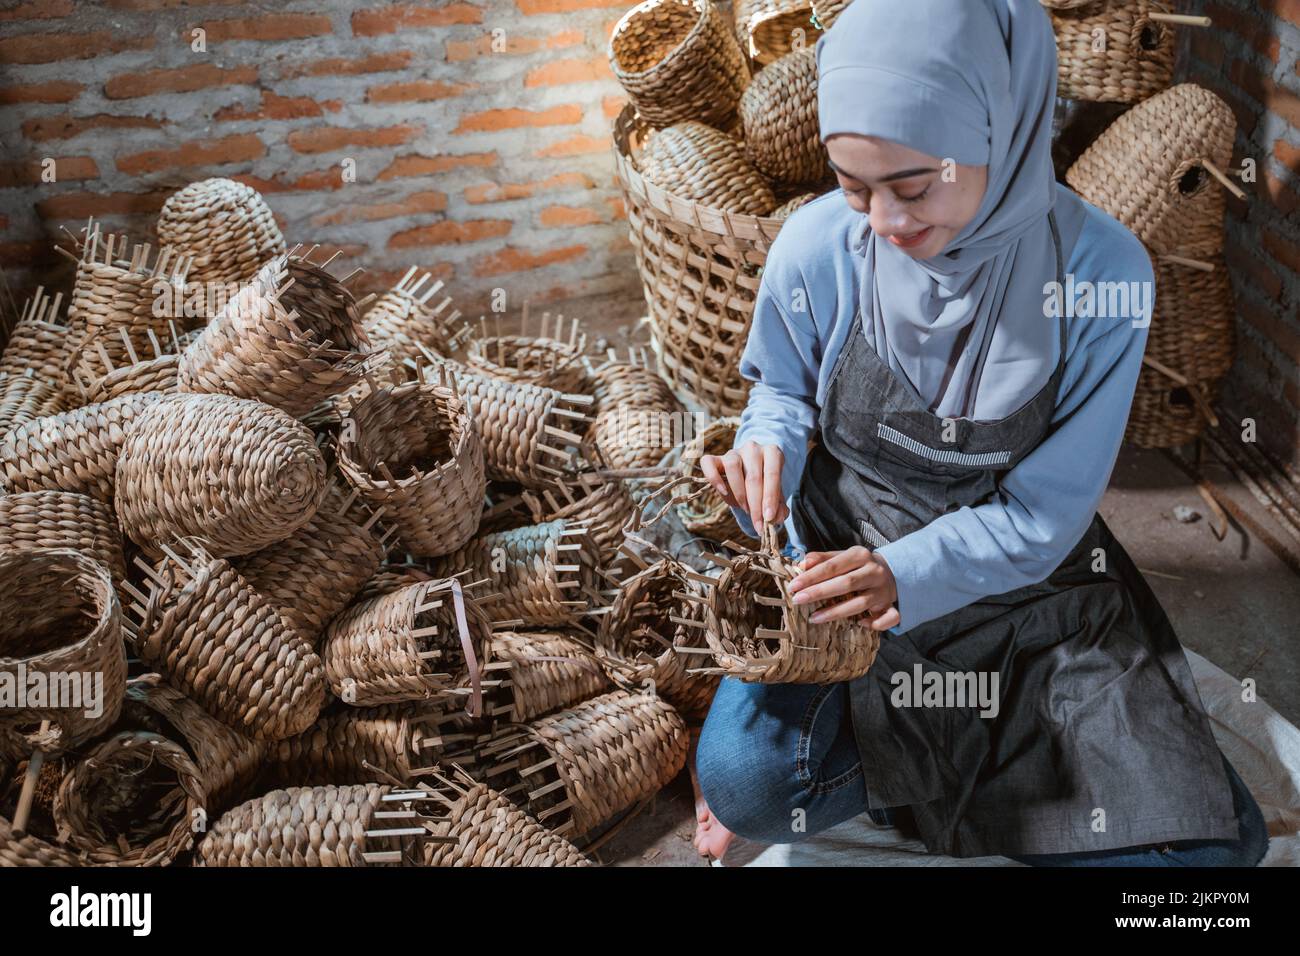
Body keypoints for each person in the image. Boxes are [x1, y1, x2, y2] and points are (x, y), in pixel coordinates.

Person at [691, 0, 1269, 866]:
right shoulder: (817, 243)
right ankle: (908, 773)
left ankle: (917, 781)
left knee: (1214, 857)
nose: (883, 222)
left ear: (1003, 125)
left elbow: (1044, 513)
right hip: (843, 570)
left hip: (1020, 579)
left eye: (914, 186)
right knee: (753, 782)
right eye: (855, 188)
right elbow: (781, 392)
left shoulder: (1102, 274)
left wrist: (911, 573)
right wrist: (768, 446)